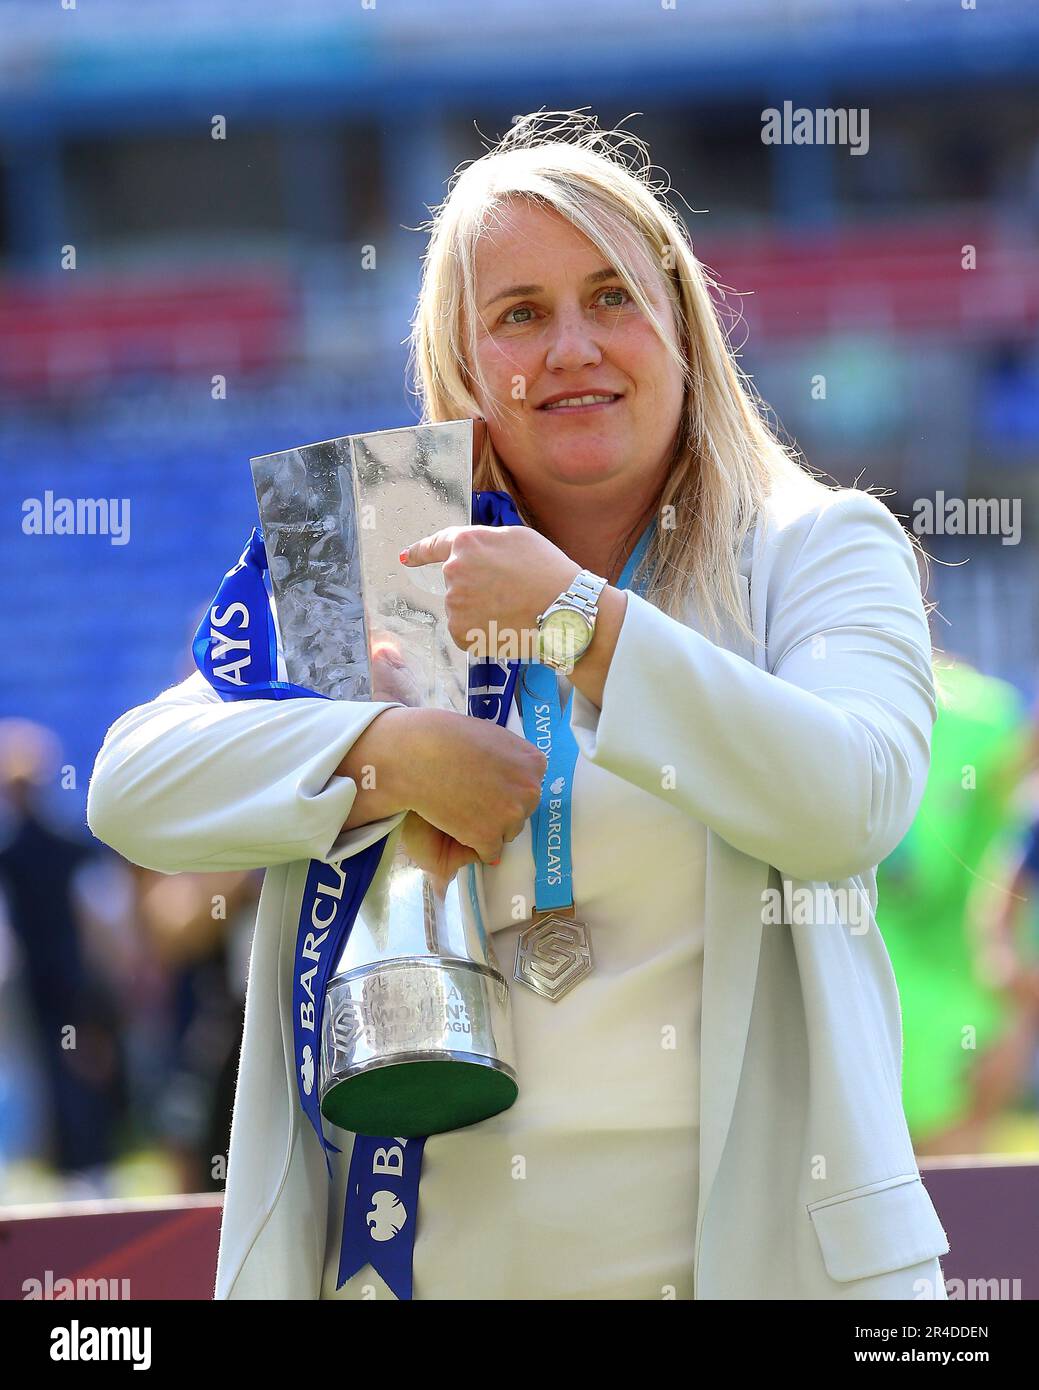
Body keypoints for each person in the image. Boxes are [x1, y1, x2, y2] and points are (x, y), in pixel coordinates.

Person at [86, 110, 951, 1300]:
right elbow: (135, 782)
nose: (573, 348)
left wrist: (576, 622)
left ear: (683, 331)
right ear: (462, 362)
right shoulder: (393, 542)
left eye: (611, 298)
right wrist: (389, 752)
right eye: (519, 315)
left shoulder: (816, 544)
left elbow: (848, 802)